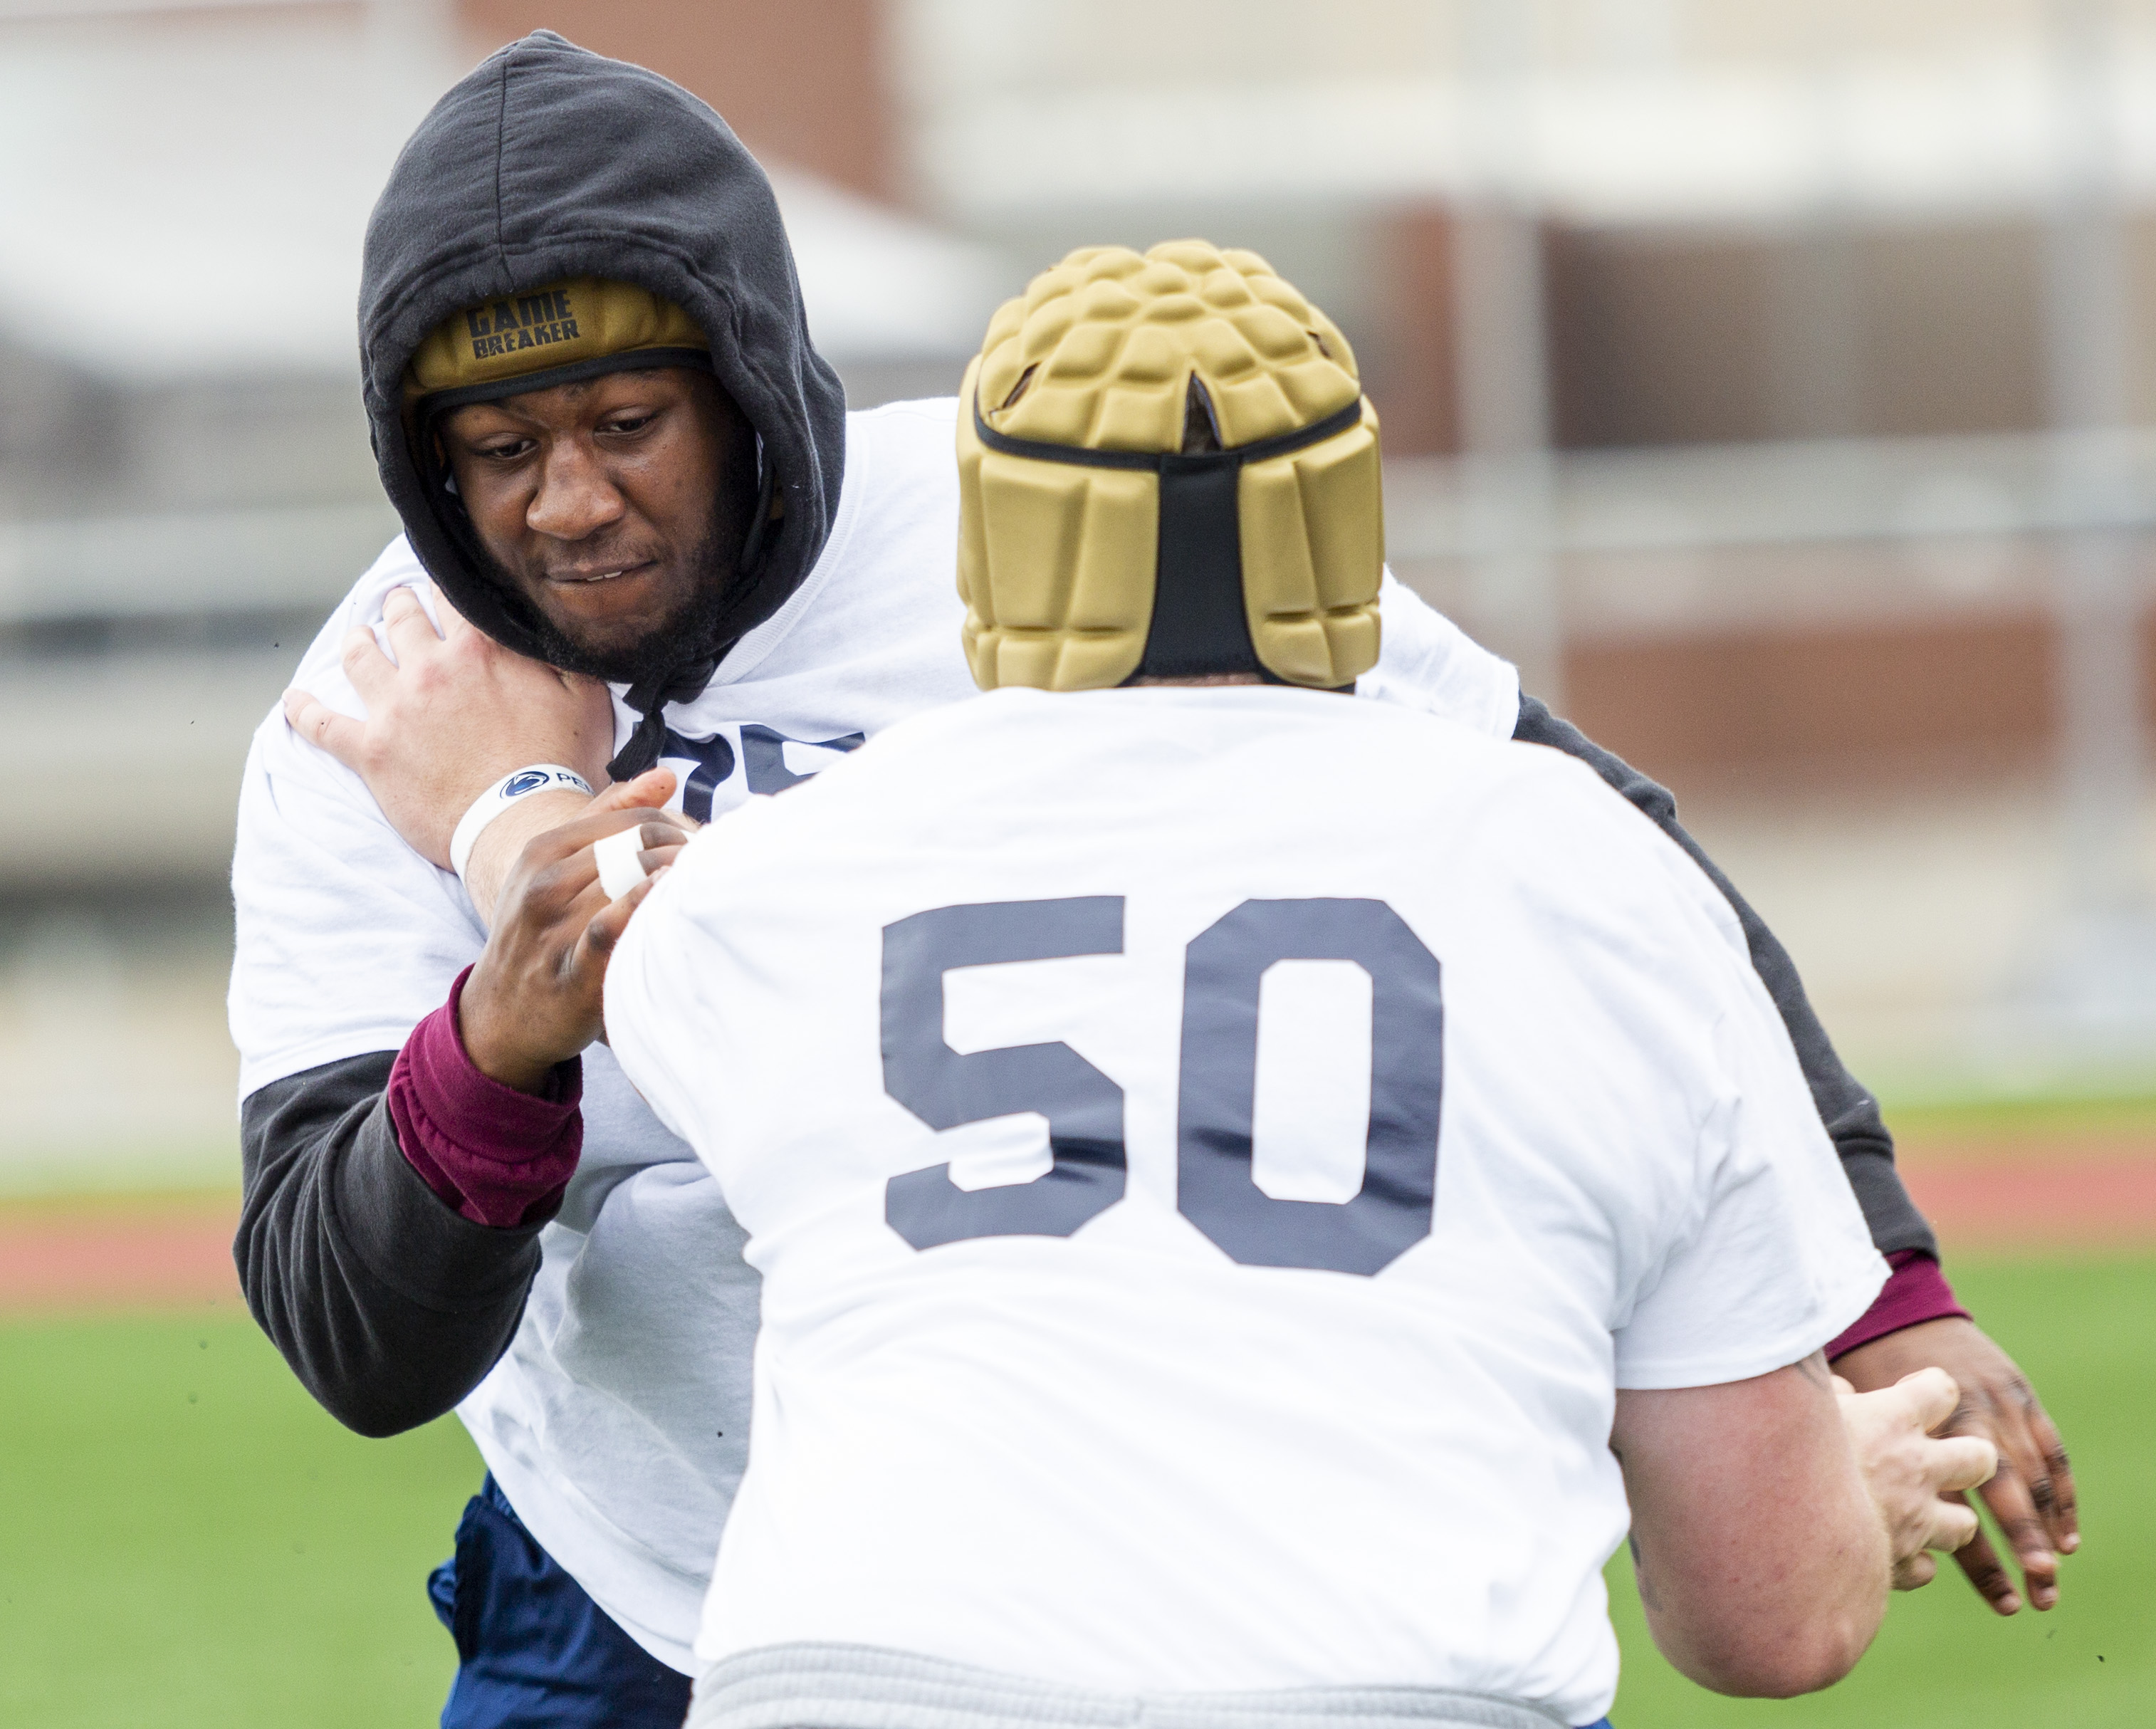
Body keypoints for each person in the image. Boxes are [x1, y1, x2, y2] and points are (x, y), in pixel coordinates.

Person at [232, 31, 2071, 1728]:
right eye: (494, 454)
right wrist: (490, 1031)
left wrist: (1873, 1279)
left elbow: (1614, 863)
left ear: (752, 375)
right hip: (633, 1566)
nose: (562, 502)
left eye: (625, 427)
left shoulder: (1064, 506)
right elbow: (352, 1325)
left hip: (1146, 1524)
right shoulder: (376, 705)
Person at [577, 242, 1999, 1729]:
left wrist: (500, 807)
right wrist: (1855, 1486)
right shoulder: (1593, 868)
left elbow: (581, 949)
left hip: (852, 1683)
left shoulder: (767, 880)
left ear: (993, 530)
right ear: (1341, 519)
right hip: (1389, 1686)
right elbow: (1766, 1611)